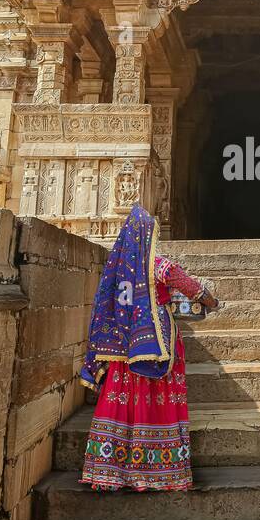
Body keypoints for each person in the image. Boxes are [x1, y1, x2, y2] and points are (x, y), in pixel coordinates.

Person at [79, 204, 219, 491]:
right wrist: (211, 301)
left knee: (122, 399)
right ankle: (157, 469)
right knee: (155, 398)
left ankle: (110, 471)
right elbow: (189, 286)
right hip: (155, 345)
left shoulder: (119, 269)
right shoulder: (157, 265)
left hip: (122, 345)